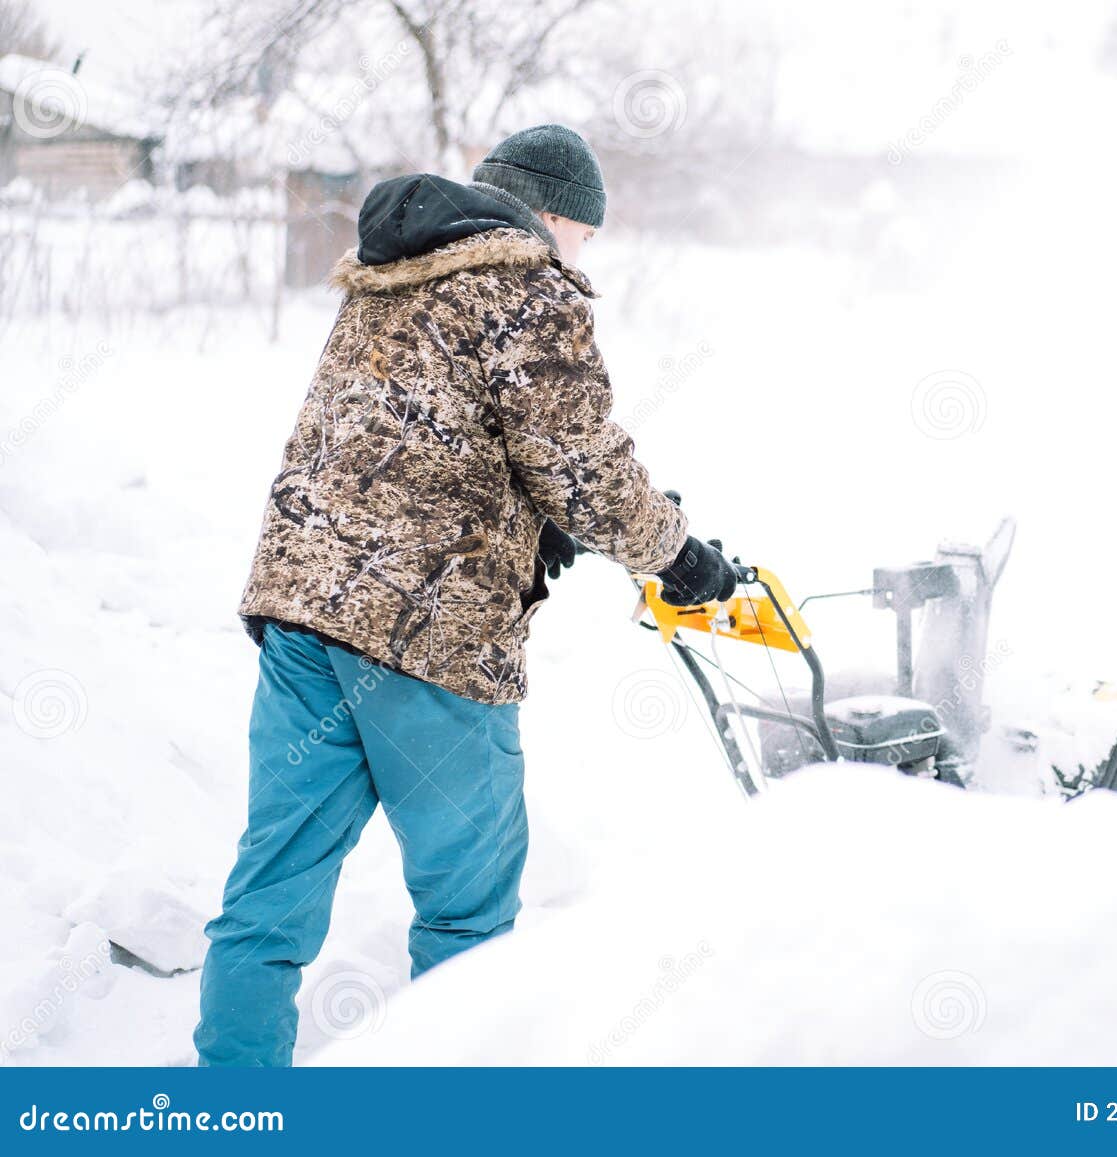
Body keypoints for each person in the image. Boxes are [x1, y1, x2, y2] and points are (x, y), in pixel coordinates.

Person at [193, 125, 738, 1066]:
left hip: (305, 610)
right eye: (586, 237)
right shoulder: (528, 283)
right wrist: (678, 557)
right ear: (556, 213)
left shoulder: (390, 270)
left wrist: (534, 522)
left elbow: (418, 433)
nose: (582, 256)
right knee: (468, 912)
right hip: (427, 635)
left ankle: (228, 1106)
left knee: (269, 894)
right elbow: (584, 466)